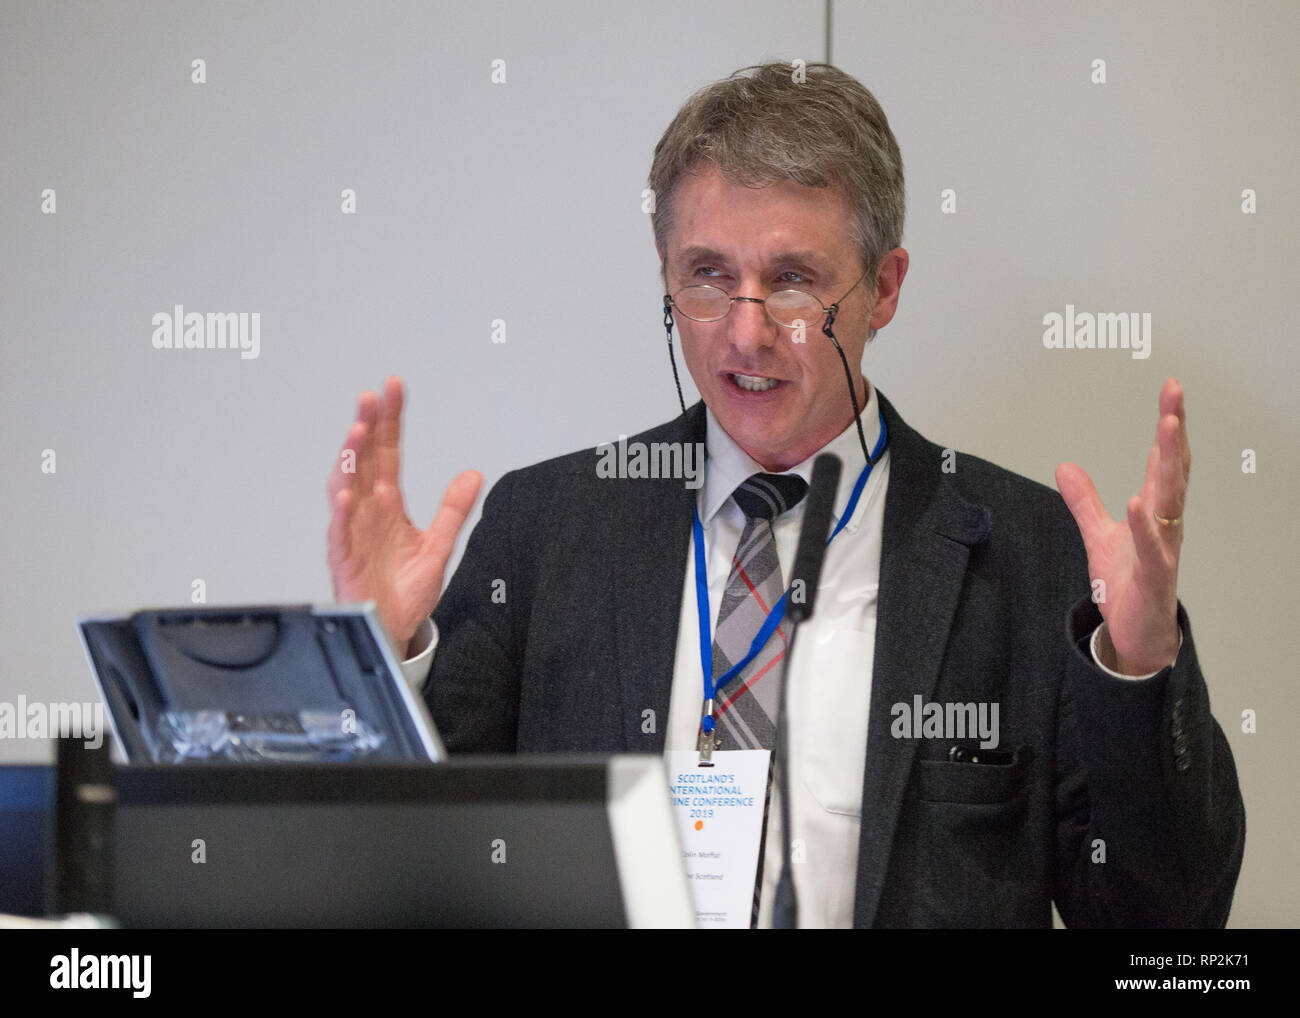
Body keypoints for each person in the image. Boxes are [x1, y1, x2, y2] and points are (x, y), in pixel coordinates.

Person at [324, 63, 1244, 928]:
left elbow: (1166, 928)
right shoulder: (549, 530)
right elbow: (406, 882)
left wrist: (1139, 668)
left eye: (794, 281)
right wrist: (379, 657)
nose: (745, 333)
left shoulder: (1028, 553)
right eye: (709, 277)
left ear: (883, 289)